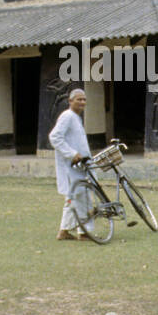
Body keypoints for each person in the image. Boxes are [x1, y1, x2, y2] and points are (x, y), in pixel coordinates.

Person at [48, 88, 92, 241]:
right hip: (70, 166)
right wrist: (71, 154)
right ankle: (82, 231)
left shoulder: (76, 118)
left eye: (84, 100)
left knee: (77, 197)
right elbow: (55, 137)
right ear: (70, 101)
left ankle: (66, 231)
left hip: (79, 166)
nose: (82, 102)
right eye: (79, 99)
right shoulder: (67, 116)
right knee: (77, 197)